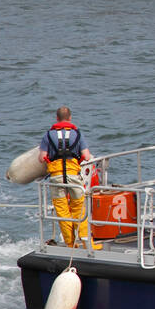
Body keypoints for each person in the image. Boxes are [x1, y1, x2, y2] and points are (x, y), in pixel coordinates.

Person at [39, 106, 98, 248]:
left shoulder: (48, 135)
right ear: (70, 118)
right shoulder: (77, 134)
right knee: (79, 209)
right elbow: (87, 156)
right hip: (74, 177)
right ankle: (86, 243)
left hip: (57, 177)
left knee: (62, 211)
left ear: (57, 118)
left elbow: (42, 158)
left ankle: (70, 244)